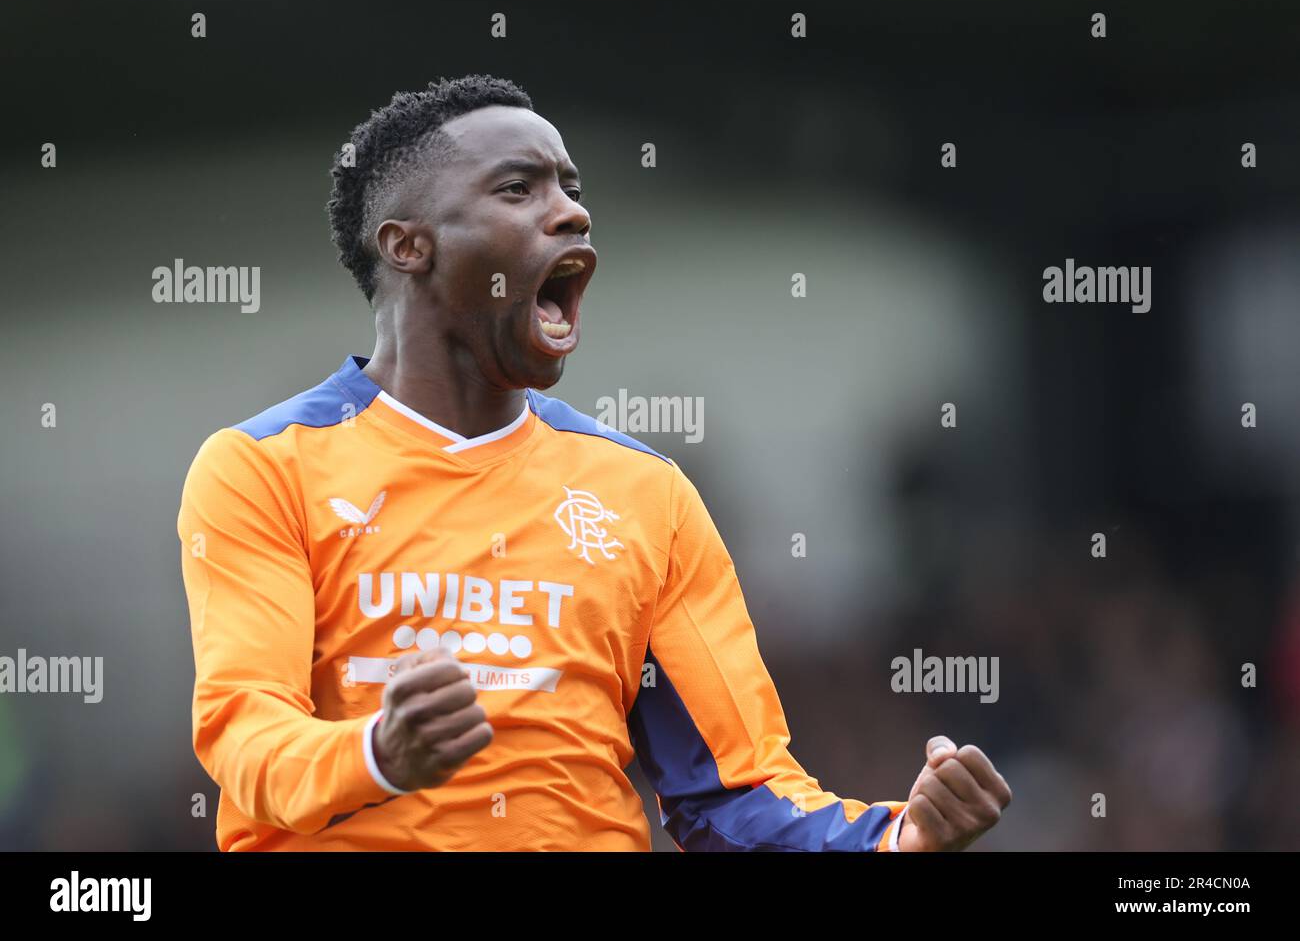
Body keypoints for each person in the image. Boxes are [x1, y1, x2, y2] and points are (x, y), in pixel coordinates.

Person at [177, 73, 1011, 851]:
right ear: (408, 246)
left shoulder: (645, 495)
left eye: (572, 190)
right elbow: (247, 736)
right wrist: (381, 753)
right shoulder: (261, 468)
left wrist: (898, 838)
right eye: (519, 189)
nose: (571, 213)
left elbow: (731, 793)